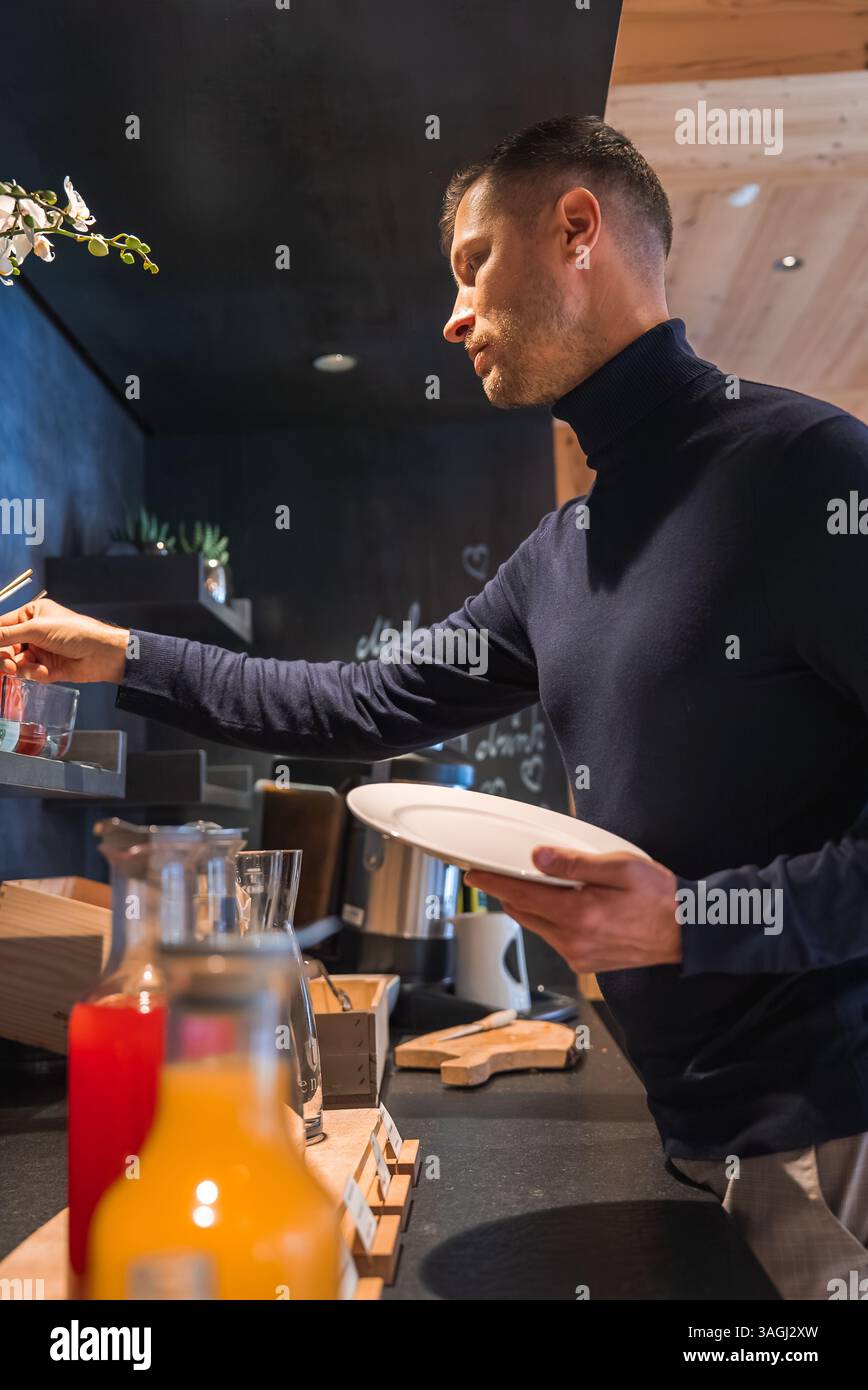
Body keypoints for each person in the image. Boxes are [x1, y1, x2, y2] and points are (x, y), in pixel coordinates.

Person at [3, 115, 868, 1300]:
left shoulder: (810, 474)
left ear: (575, 228)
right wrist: (121, 655)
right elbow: (357, 700)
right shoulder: (560, 554)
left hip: (832, 1143)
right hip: (692, 1132)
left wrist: (694, 920)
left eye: (470, 263)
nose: (452, 317)